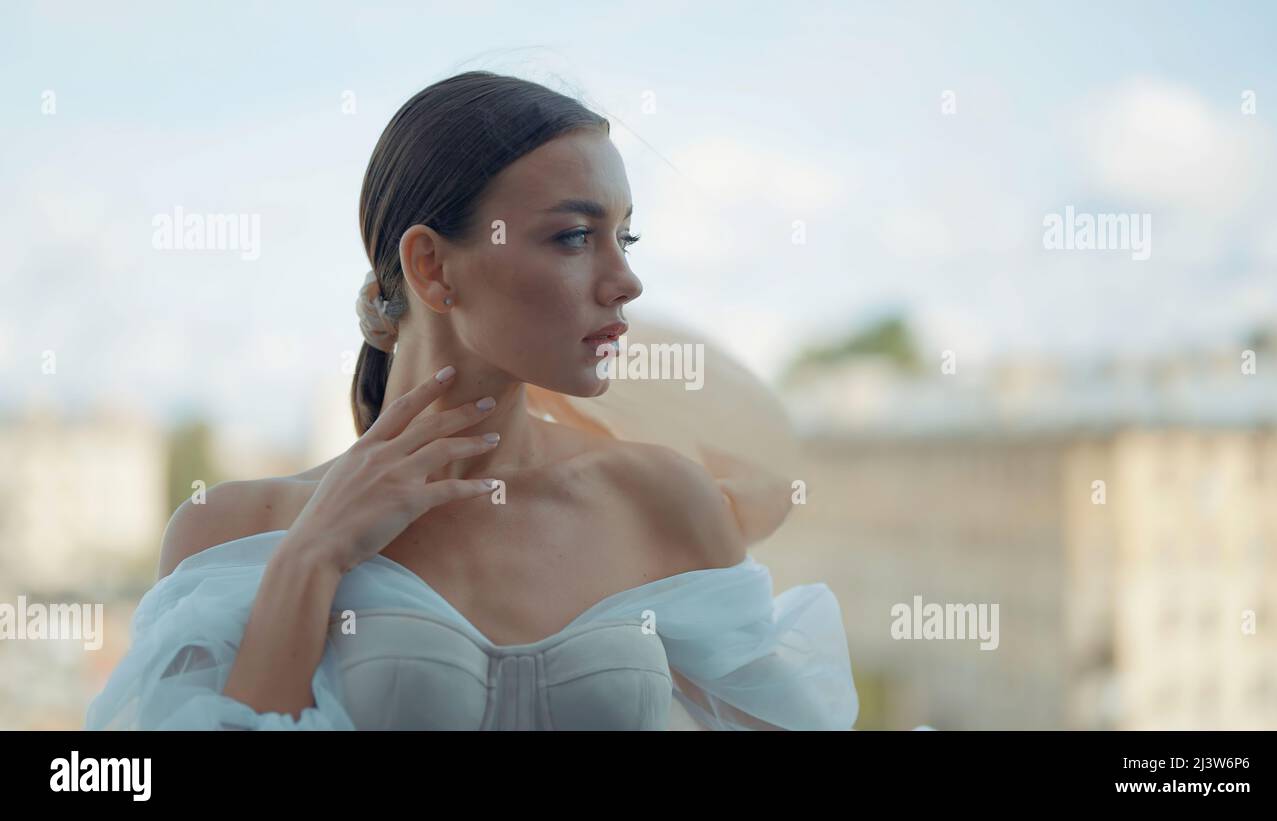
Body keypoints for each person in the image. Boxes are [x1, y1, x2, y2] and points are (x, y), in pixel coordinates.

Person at [85, 71, 859, 730]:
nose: (626, 281)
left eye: (625, 238)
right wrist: (312, 556)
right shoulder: (234, 532)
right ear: (431, 266)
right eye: (574, 237)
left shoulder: (661, 500)